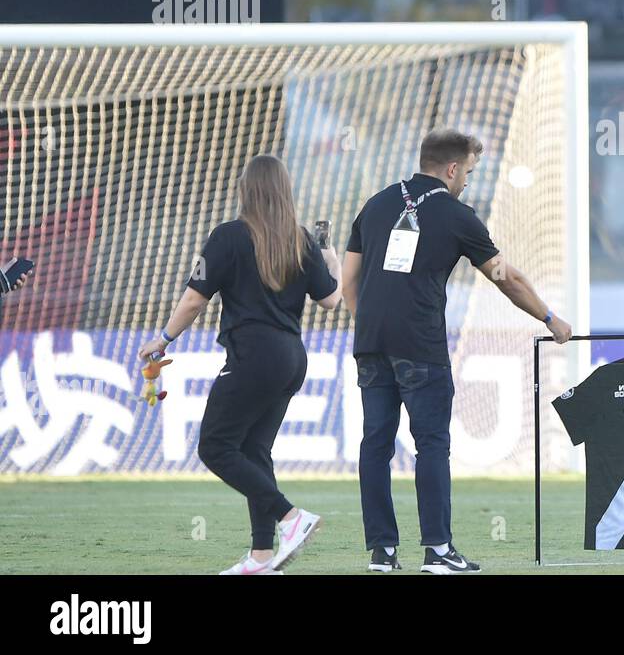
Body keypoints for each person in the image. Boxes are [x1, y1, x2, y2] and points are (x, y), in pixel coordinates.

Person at [342, 128, 572, 574]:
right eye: (468, 171)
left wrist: (371, 325)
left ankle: (383, 554)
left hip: (371, 344)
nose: (467, 180)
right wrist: (549, 318)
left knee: (376, 444)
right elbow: (505, 278)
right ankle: (438, 551)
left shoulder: (376, 204)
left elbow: (348, 282)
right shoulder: (456, 214)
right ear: (451, 169)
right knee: (431, 445)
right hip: (420, 347)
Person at [140, 154, 342, 575]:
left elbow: (196, 298)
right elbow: (331, 300)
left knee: (214, 447)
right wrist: (332, 262)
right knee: (253, 450)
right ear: (285, 191)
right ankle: (262, 557)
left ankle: (291, 518)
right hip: (291, 358)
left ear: (245, 190)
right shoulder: (302, 240)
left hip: (253, 356)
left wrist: (162, 339)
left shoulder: (228, 237)